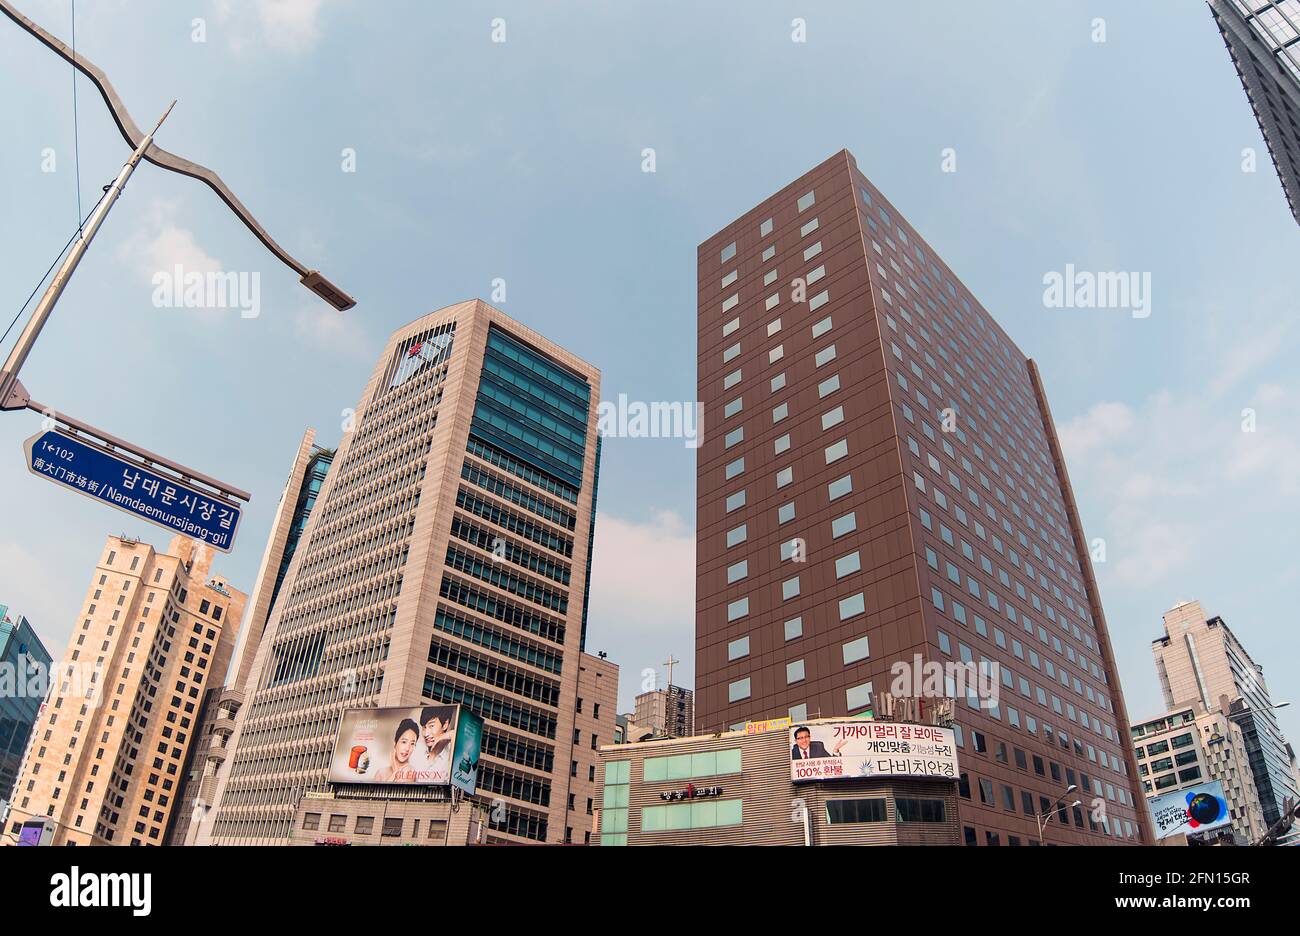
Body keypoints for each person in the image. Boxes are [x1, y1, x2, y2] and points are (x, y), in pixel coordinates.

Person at [373, 718, 421, 783]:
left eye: (412, 744)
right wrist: (394, 773)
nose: (407, 748)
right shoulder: (380, 773)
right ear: (395, 743)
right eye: (404, 742)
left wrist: (395, 773)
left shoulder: (410, 772)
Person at [417, 707, 454, 783]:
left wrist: (446, 736)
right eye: (424, 727)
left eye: (431, 726)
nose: (426, 734)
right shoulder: (417, 751)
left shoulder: (452, 752)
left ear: (445, 725)